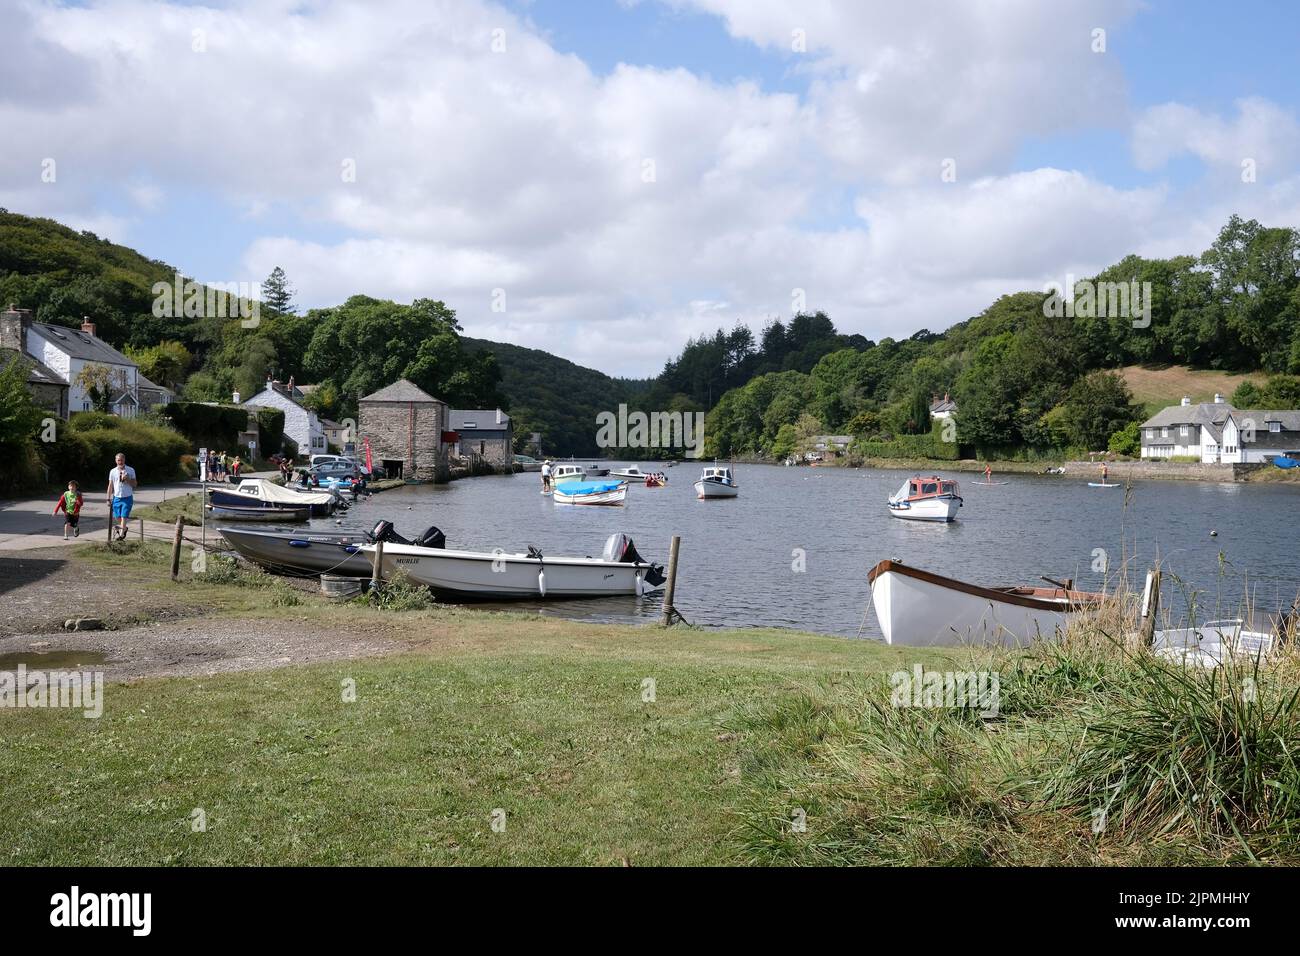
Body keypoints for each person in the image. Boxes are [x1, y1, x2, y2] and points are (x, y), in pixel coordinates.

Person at [106, 452, 137, 541]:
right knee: (117, 516)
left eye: (121, 460)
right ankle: (124, 528)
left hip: (127, 497)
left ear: (124, 460)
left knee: (124, 516)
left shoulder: (130, 470)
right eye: (118, 460)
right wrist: (108, 498)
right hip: (116, 497)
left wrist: (127, 479)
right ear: (116, 461)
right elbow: (110, 485)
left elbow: (135, 484)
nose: (120, 462)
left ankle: (121, 535)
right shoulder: (112, 471)